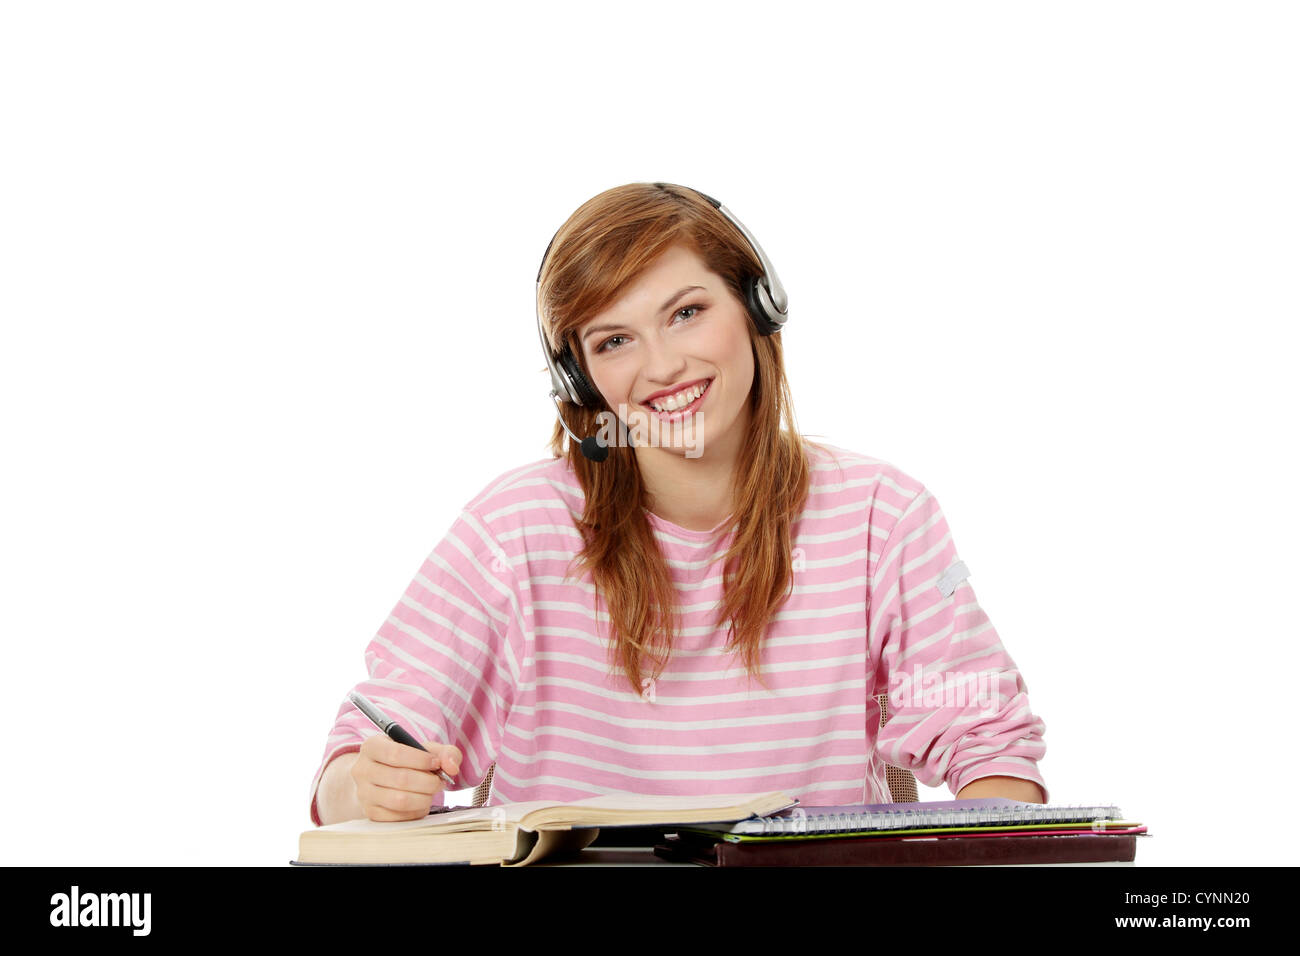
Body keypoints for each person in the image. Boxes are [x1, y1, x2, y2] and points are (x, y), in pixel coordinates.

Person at [310, 181, 1048, 826]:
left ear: (759, 307)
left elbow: (991, 745)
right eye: (615, 340)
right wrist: (366, 783)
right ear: (579, 379)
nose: (662, 366)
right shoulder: (516, 527)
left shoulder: (884, 517)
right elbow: (364, 752)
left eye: (687, 312)